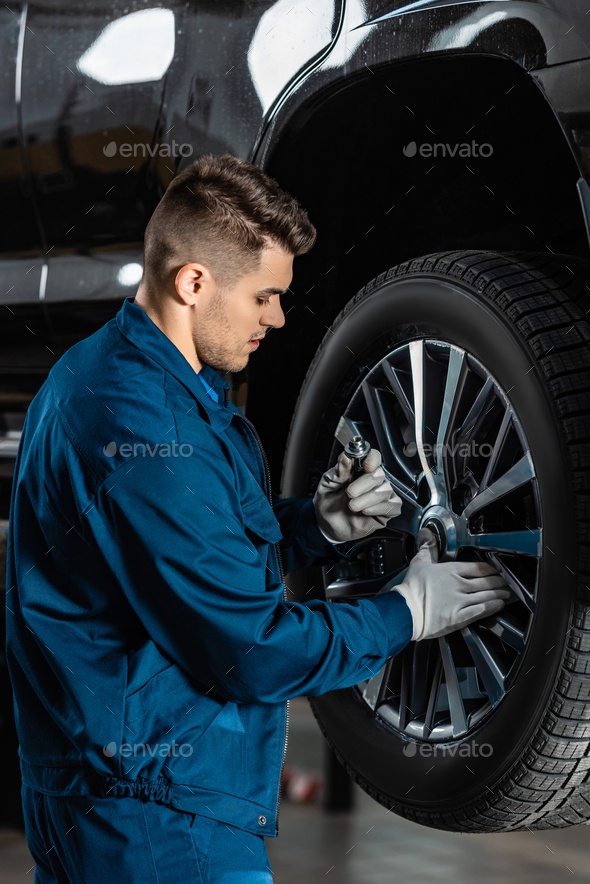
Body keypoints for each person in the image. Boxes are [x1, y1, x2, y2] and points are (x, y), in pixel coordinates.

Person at [5, 154, 509, 883]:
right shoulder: (143, 428)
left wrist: (316, 526)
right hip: (157, 822)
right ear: (194, 283)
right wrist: (405, 613)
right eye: (265, 297)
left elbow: (174, 553)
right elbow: (249, 650)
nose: (277, 317)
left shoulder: (118, 376)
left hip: (105, 798)